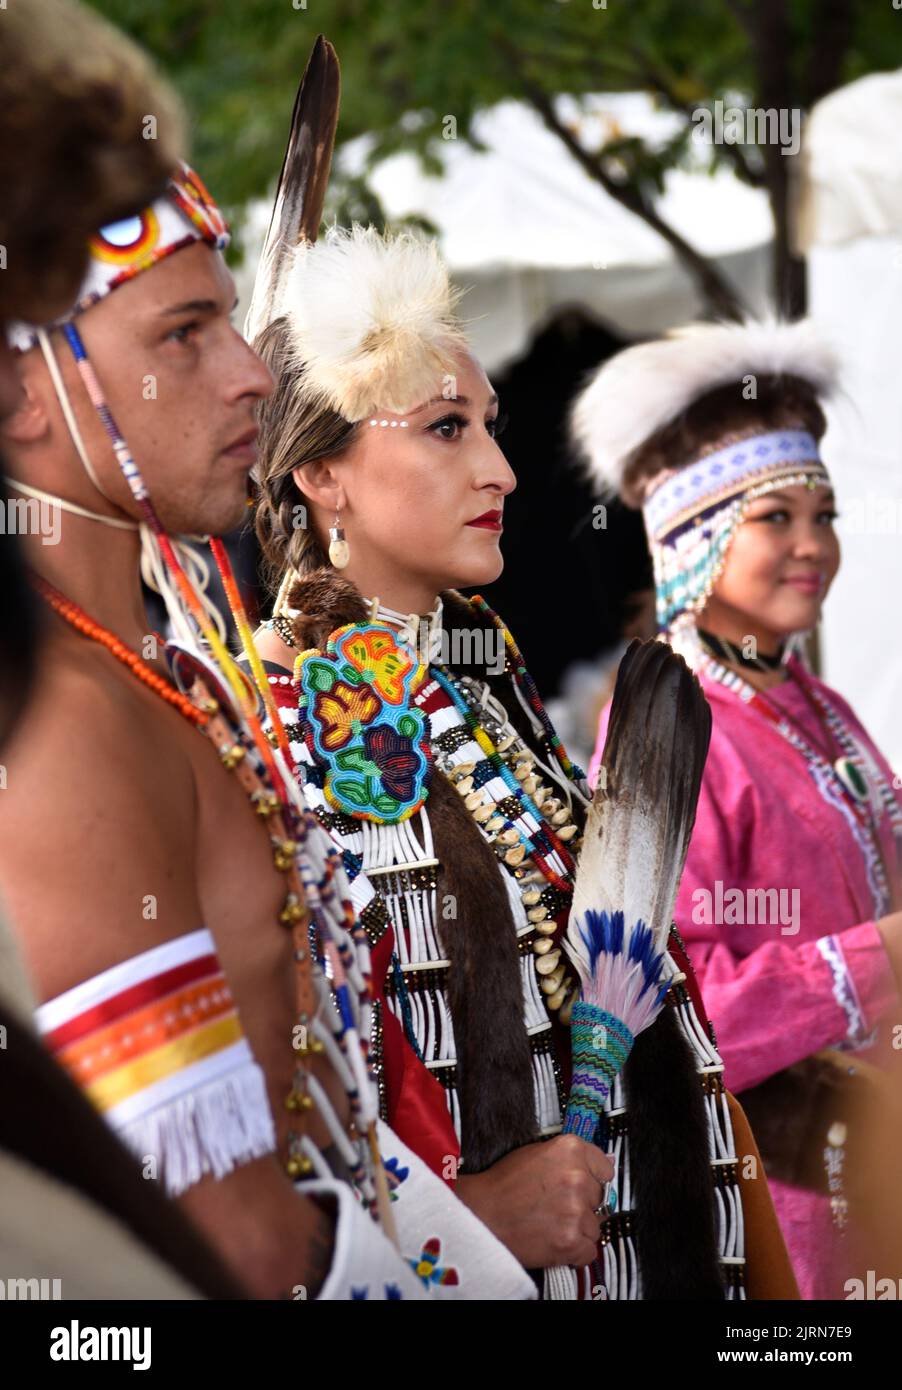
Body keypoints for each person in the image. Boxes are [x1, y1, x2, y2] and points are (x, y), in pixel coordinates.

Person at [0, 145, 533, 1299]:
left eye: (232, 322)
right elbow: (218, 1235)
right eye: (183, 334)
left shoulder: (162, 677)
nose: (252, 373)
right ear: (20, 388)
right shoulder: (64, 727)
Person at [246, 219, 798, 1299]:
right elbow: (260, 1076)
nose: (498, 466)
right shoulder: (269, 717)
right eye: (444, 428)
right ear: (322, 473)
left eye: (488, 423)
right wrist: (458, 1224)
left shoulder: (480, 673)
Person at [574, 318, 902, 1299]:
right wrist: (876, 956)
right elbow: (658, 1001)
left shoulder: (814, 704)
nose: (813, 545)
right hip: (778, 1216)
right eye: (774, 518)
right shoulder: (657, 729)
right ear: (692, 535)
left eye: (824, 513)